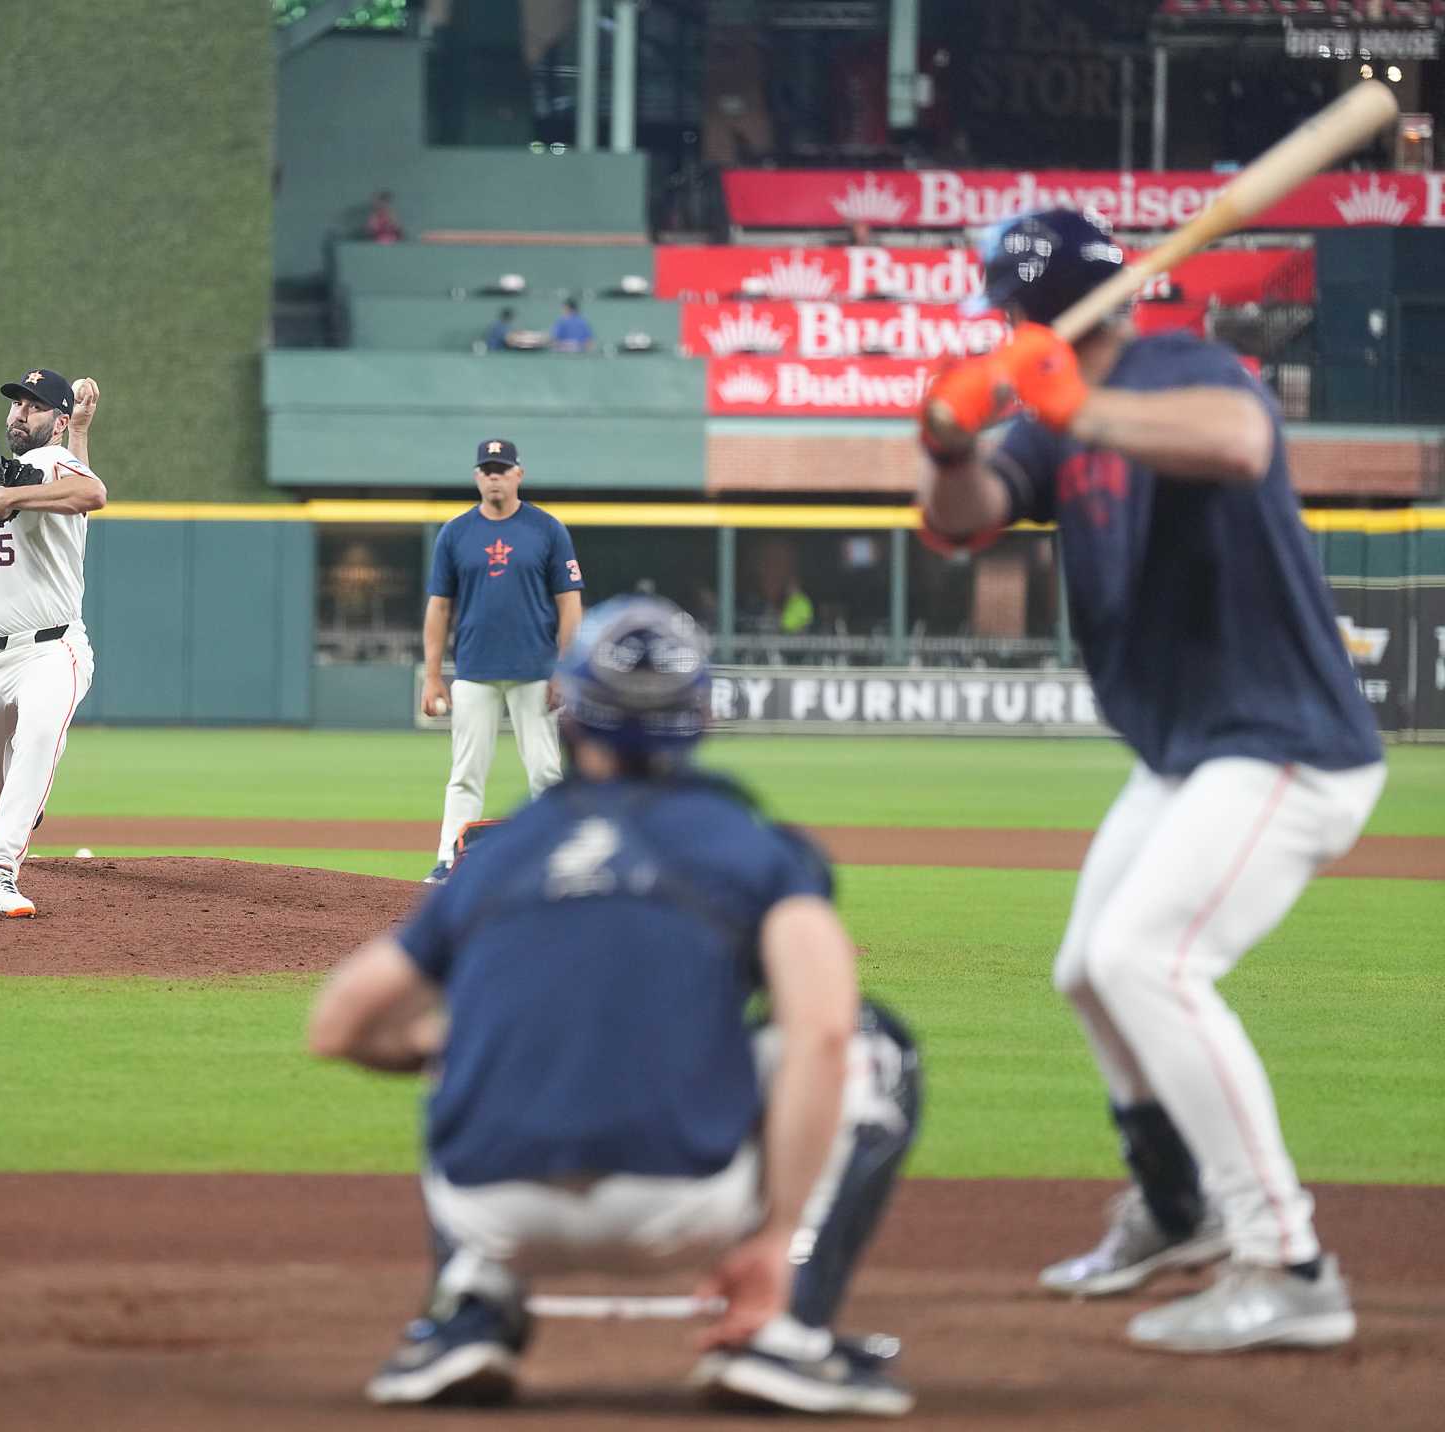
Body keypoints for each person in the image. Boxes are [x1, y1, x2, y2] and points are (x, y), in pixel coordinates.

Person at [917, 209, 1385, 1352]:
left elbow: (1235, 442)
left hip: (1280, 740)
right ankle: (1172, 1208)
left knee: (1147, 959)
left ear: (1030, 314)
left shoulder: (1175, 368)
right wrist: (945, 445)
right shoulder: (1046, 421)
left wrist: (1083, 406)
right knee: (1086, 966)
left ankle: (1287, 1261)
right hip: (1183, 752)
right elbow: (959, 519)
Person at [308, 597, 922, 1416]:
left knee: (469, 1031)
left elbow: (338, 1024)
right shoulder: (755, 847)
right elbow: (821, 1034)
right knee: (873, 1042)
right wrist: (773, 1238)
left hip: (491, 1206)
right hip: (684, 1204)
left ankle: (469, 1311)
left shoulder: (494, 857)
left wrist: (456, 1049)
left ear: (567, 710)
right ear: (699, 713)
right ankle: (779, 1327)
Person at [0, 368, 109, 917]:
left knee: (38, 741)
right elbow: (74, 476)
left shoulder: (44, 465)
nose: (19, 414)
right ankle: (1, 819)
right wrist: (1, 493)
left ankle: (0, 871)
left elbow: (92, 490)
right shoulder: (37, 466)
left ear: (58, 421)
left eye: (34, 407)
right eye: (17, 404)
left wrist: (8, 495)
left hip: (50, 651)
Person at [420, 439, 585, 884]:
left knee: (547, 771)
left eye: (502, 468)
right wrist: (432, 675)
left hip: (536, 671)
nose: (494, 475)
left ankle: (562, 860)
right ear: (477, 476)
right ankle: (448, 861)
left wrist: (566, 668)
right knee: (466, 772)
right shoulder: (455, 532)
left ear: (518, 474)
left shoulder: (546, 529)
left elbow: (570, 604)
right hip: (474, 668)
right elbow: (439, 607)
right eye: (487, 468)